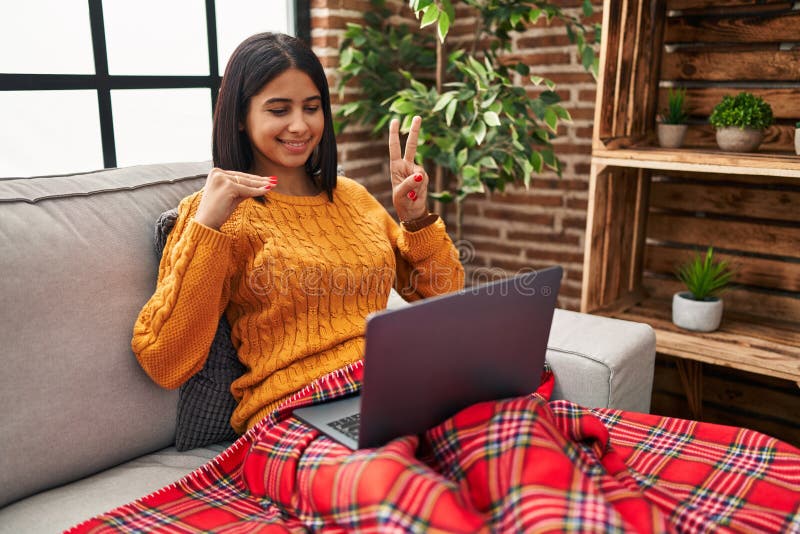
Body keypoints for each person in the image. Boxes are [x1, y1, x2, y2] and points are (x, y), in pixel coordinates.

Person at [131, 32, 464, 435]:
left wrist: (415, 219)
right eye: (278, 109)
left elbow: (445, 300)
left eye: (311, 107)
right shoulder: (215, 214)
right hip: (294, 417)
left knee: (516, 430)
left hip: (390, 388)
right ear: (240, 116)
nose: (299, 125)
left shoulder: (352, 197)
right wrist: (206, 228)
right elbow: (165, 362)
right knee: (397, 471)